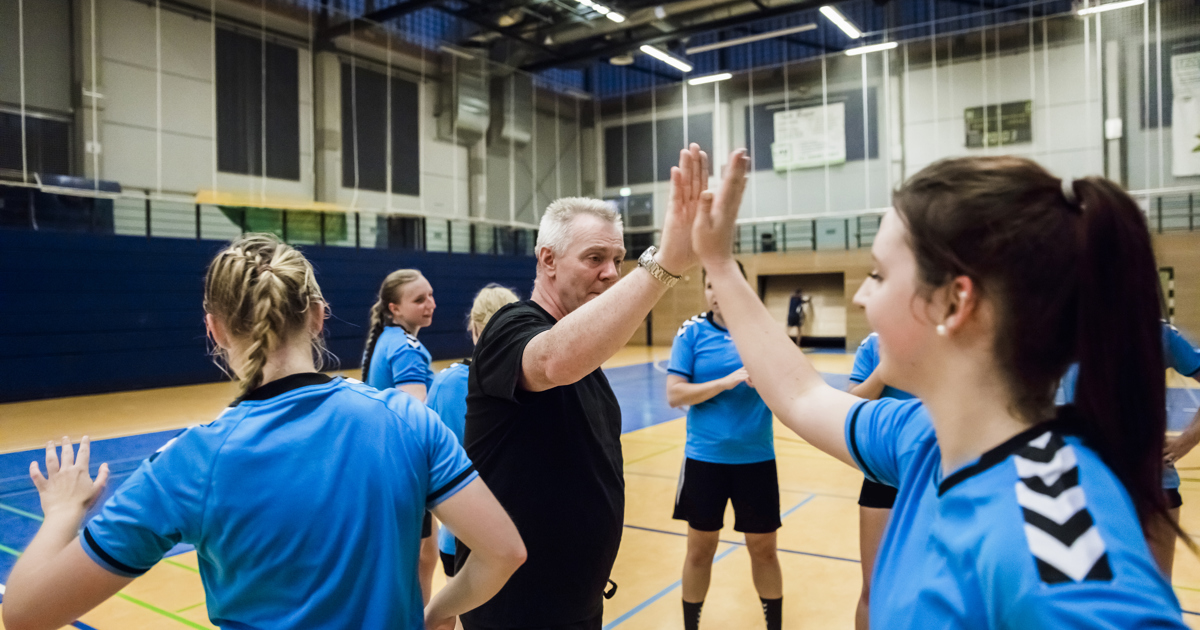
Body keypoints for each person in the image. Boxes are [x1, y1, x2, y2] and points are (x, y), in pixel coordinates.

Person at [692, 155, 1188, 627]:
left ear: (955, 302)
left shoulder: (1058, 540)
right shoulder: (925, 436)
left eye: (880, 275)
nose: (863, 296)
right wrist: (718, 262)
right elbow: (801, 396)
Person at [1, 234, 525, 630]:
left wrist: (63, 513)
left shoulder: (191, 462)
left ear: (215, 328)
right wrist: (432, 617)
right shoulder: (407, 420)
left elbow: (23, 614)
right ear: (319, 317)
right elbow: (504, 551)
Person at [460, 144, 739, 630]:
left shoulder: (591, 359)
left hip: (576, 604)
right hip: (518, 609)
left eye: (618, 258)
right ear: (547, 259)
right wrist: (664, 265)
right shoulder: (511, 326)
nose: (611, 272)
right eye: (594, 258)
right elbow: (551, 361)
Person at [666, 260, 782, 630]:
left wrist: (767, 382)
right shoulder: (692, 333)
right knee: (700, 551)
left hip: (756, 460)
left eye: (724, 284)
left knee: (763, 550)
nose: (716, 293)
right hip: (705, 460)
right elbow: (675, 394)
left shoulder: (765, 333)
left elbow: (789, 392)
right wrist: (726, 382)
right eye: (710, 285)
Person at [1056, 320, 1200, 578]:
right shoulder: (1060, 333)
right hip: (1085, 485)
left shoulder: (1158, 334)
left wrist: (1186, 441)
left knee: (1155, 596)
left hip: (1152, 486)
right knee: (1093, 599)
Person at [428, 283, 521, 579]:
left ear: (474, 328)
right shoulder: (536, 382)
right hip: (521, 534)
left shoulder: (447, 384)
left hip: (462, 535)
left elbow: (429, 463)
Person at [362, 268, 440, 603]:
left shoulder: (385, 339)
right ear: (394, 308)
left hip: (386, 466)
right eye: (419, 299)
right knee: (415, 561)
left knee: (424, 556)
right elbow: (415, 417)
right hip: (404, 470)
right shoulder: (406, 348)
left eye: (431, 295)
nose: (430, 304)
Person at [845, 332, 913, 630]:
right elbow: (849, 404)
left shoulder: (945, 335)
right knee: (873, 589)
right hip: (882, 475)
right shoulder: (873, 343)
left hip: (935, 473)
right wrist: (884, 371)